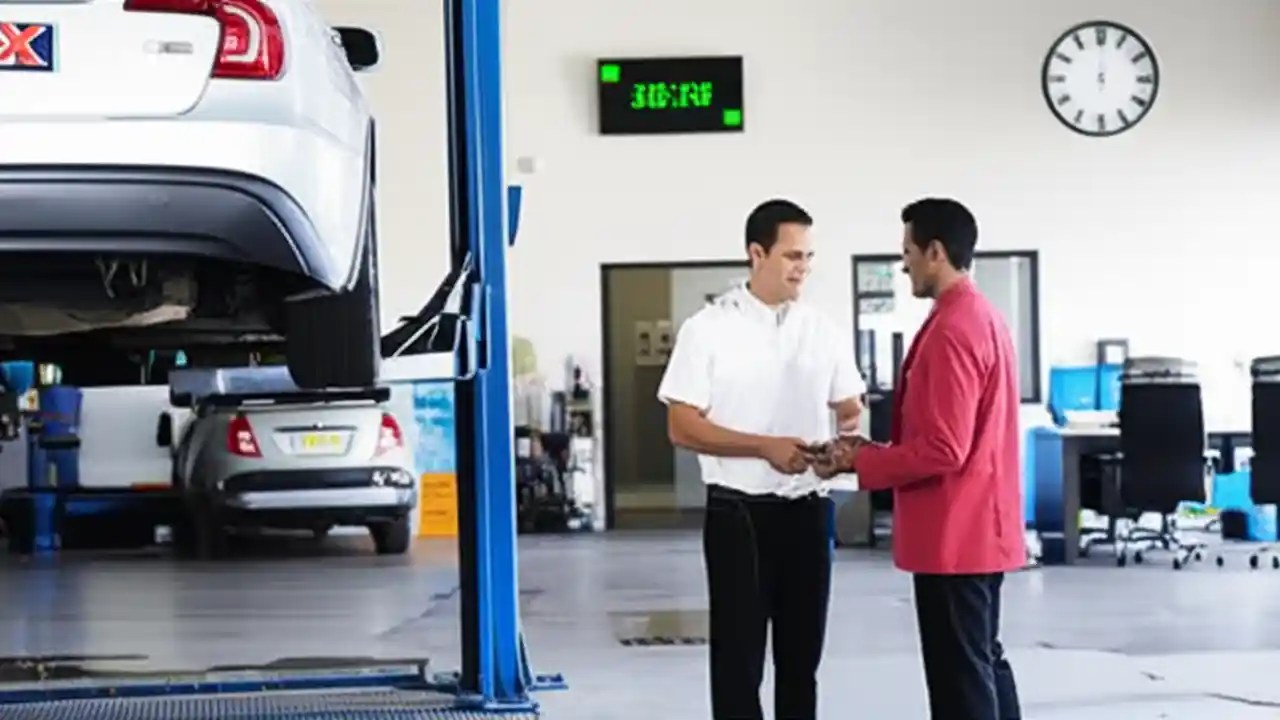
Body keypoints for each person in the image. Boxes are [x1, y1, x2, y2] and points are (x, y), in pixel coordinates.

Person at [815, 198, 1024, 720]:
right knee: (982, 659)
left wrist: (859, 464)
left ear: (935, 252)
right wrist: (871, 452)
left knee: (961, 678)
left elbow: (944, 449)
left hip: (956, 534)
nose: (903, 263)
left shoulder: (954, 329)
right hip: (980, 529)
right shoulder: (981, 316)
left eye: (908, 251)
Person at [658, 198, 865, 720]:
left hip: (809, 511)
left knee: (801, 663)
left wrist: (843, 437)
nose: (803, 268)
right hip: (739, 514)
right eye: (793, 255)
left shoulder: (822, 329)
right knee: (738, 663)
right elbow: (681, 426)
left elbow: (849, 407)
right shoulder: (708, 329)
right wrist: (763, 446)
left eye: (809, 257)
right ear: (757, 253)